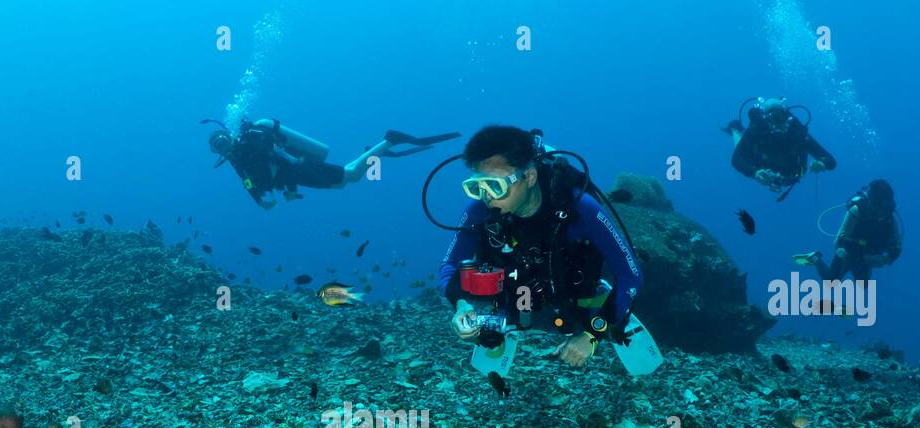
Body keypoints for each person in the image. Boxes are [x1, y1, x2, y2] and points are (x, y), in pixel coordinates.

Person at [441, 125, 641, 368]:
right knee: (498, 315)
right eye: (477, 187)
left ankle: (603, 304)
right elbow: (450, 264)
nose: (487, 197)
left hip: (573, 297)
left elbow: (631, 275)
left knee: (592, 317)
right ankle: (506, 323)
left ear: (530, 177)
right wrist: (460, 305)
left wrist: (591, 336)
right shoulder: (477, 212)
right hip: (515, 298)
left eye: (495, 186)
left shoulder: (580, 208)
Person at [205, 119, 458, 209]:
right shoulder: (236, 159)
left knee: (350, 177)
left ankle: (388, 140)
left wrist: (291, 189)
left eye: (222, 140)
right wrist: (259, 200)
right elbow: (247, 181)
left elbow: (282, 161)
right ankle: (378, 151)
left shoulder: (251, 143)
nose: (222, 146)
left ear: (228, 134)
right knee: (345, 182)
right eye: (217, 146)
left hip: (300, 169)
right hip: (296, 175)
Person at [722, 97, 836, 196]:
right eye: (773, 118)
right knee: (742, 146)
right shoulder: (756, 131)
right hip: (759, 166)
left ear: (787, 116)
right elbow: (736, 159)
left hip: (790, 175)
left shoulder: (798, 134)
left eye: (780, 117)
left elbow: (830, 160)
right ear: (766, 119)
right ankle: (735, 128)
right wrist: (754, 173)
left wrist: (822, 163)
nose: (778, 123)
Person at [793, 179, 902, 280]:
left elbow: (896, 246)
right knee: (831, 280)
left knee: (863, 283)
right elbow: (838, 241)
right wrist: (849, 254)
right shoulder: (856, 211)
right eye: (879, 207)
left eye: (886, 208)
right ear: (871, 202)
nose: (882, 212)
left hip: (869, 253)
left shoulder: (891, 219)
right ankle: (814, 258)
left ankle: (855, 264)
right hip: (849, 251)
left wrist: (885, 259)